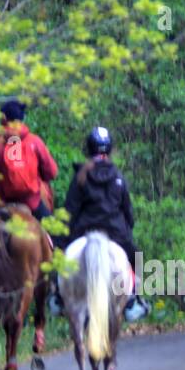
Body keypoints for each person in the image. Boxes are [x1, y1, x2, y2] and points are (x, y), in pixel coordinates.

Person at [51, 125, 149, 322]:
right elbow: (128, 211)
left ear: (89, 149)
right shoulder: (118, 177)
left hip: (84, 231)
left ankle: (58, 297)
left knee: (59, 254)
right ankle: (134, 298)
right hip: (116, 232)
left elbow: (70, 210)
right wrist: (127, 228)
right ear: (109, 149)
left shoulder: (80, 177)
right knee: (136, 255)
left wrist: (60, 239)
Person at [0, 99, 57, 220]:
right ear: (22, 119)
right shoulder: (35, 141)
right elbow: (51, 173)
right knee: (55, 234)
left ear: (3, 118)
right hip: (31, 203)